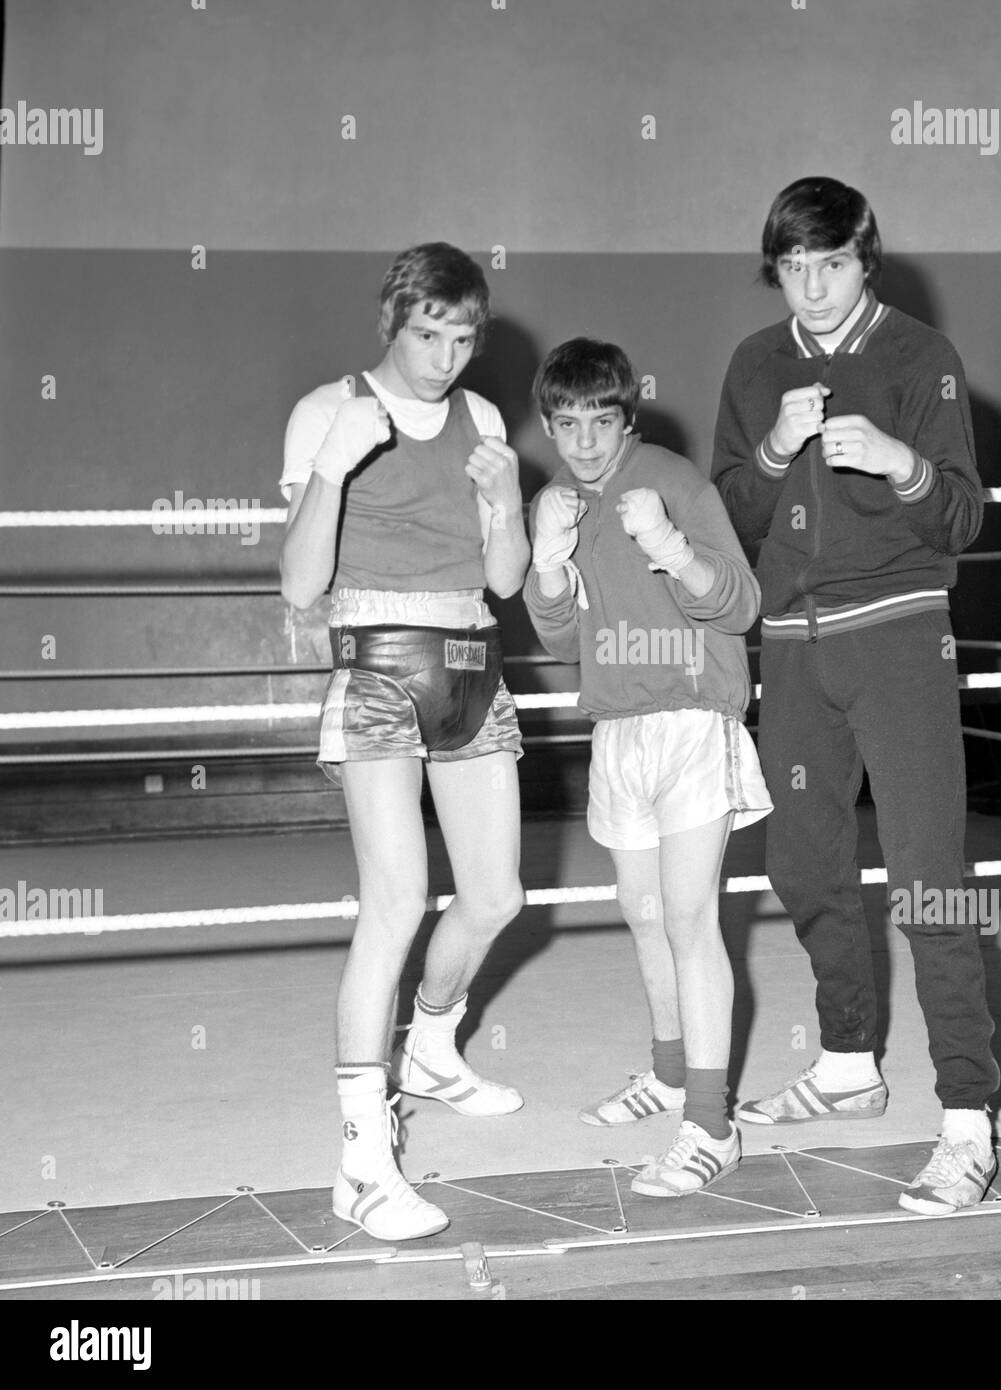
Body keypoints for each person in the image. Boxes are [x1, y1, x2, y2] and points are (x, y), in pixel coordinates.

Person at [711, 177, 1000, 1215]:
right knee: (801, 862)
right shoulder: (754, 364)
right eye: (792, 266)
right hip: (789, 646)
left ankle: (966, 1115)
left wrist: (904, 464)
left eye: (830, 263)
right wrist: (775, 451)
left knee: (931, 877)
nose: (812, 285)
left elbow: (963, 514)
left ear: (863, 261)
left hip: (898, 638)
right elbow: (731, 506)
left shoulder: (922, 357)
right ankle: (847, 1059)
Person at [279, 243, 530, 1240]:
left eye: (461, 337)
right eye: (426, 335)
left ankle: (431, 1044)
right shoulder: (326, 409)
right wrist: (332, 473)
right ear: (392, 321)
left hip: (473, 659)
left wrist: (506, 502)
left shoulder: (482, 418)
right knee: (394, 901)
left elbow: (507, 580)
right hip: (377, 660)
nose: (442, 357)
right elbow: (299, 583)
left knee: (496, 895)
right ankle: (359, 1163)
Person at [523, 339, 771, 1196]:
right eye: (566, 425)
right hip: (618, 724)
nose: (585, 442)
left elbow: (741, 604)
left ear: (628, 416)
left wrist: (669, 544)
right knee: (643, 910)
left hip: (695, 714)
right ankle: (670, 1073)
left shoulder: (676, 478)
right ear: (549, 425)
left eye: (601, 421)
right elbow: (563, 641)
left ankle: (711, 1124)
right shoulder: (557, 502)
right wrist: (548, 566)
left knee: (691, 916)